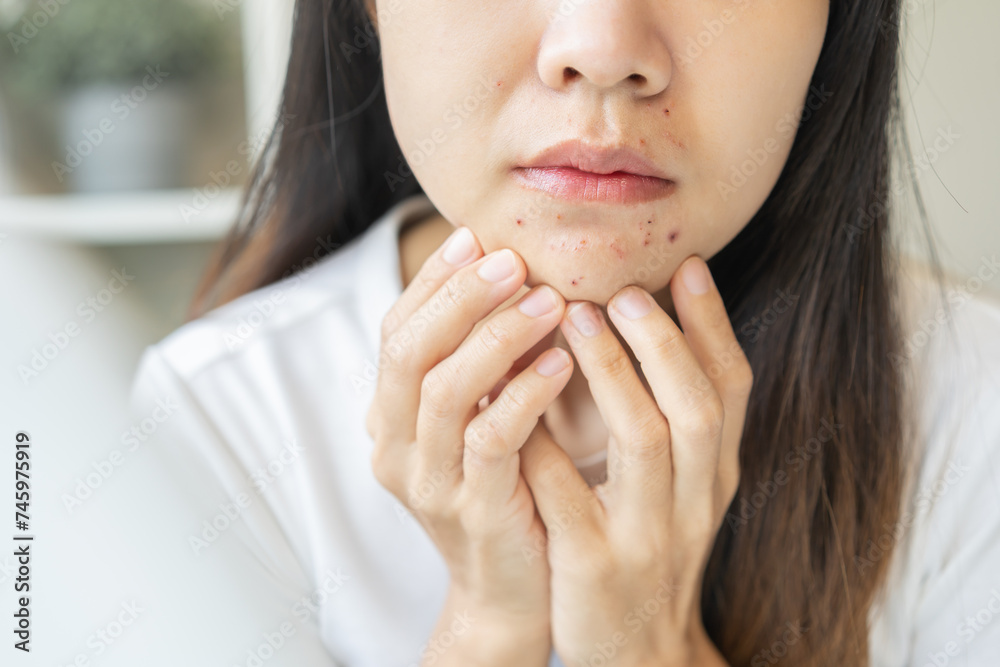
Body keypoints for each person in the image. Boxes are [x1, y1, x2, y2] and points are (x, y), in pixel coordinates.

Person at [129, 1, 1000, 665]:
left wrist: (651, 646)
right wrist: (487, 628)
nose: (602, 47)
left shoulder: (973, 406)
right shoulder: (213, 422)